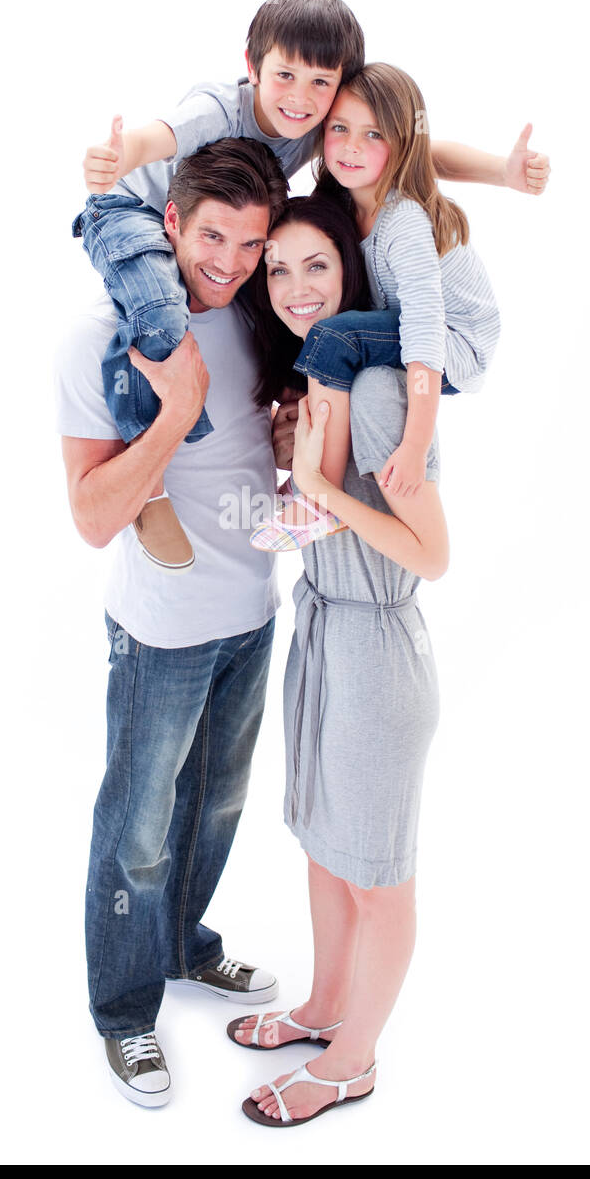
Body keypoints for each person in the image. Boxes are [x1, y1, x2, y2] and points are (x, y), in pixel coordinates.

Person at [75, 0, 548, 566]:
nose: (303, 102)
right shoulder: (259, 129)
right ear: (253, 67)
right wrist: (124, 155)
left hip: (453, 341)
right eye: (287, 78)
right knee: (214, 311)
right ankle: (199, 473)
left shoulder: (379, 195)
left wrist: (504, 171)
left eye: (321, 84)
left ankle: (310, 488)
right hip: (137, 215)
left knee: (318, 325)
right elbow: (166, 133)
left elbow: (423, 163)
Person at [54, 136, 292, 1109]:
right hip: (158, 631)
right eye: (211, 237)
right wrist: (174, 409)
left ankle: (184, 945)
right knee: (137, 829)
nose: (230, 260)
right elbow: (92, 516)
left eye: (249, 241)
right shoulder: (98, 338)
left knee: (217, 807)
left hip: (250, 611)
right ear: (169, 226)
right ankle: (122, 1011)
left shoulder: (251, 312)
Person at [227, 196, 450, 1128]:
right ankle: (323, 1009)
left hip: (377, 646)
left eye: (315, 265)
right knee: (324, 849)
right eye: (275, 269)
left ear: (350, 270)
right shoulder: (317, 381)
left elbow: (430, 554)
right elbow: (301, 528)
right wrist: (282, 487)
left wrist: (317, 484)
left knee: (375, 869)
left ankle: (352, 1060)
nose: (293, 288)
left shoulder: (381, 386)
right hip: (322, 626)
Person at [249, 62, 504, 552]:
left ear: (402, 146)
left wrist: (413, 446)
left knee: (337, 336)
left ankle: (317, 500)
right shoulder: (340, 200)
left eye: (373, 135)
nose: (350, 147)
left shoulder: (403, 221)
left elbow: (425, 330)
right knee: (331, 331)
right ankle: (311, 480)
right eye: (339, 129)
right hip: (404, 326)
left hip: (456, 341)